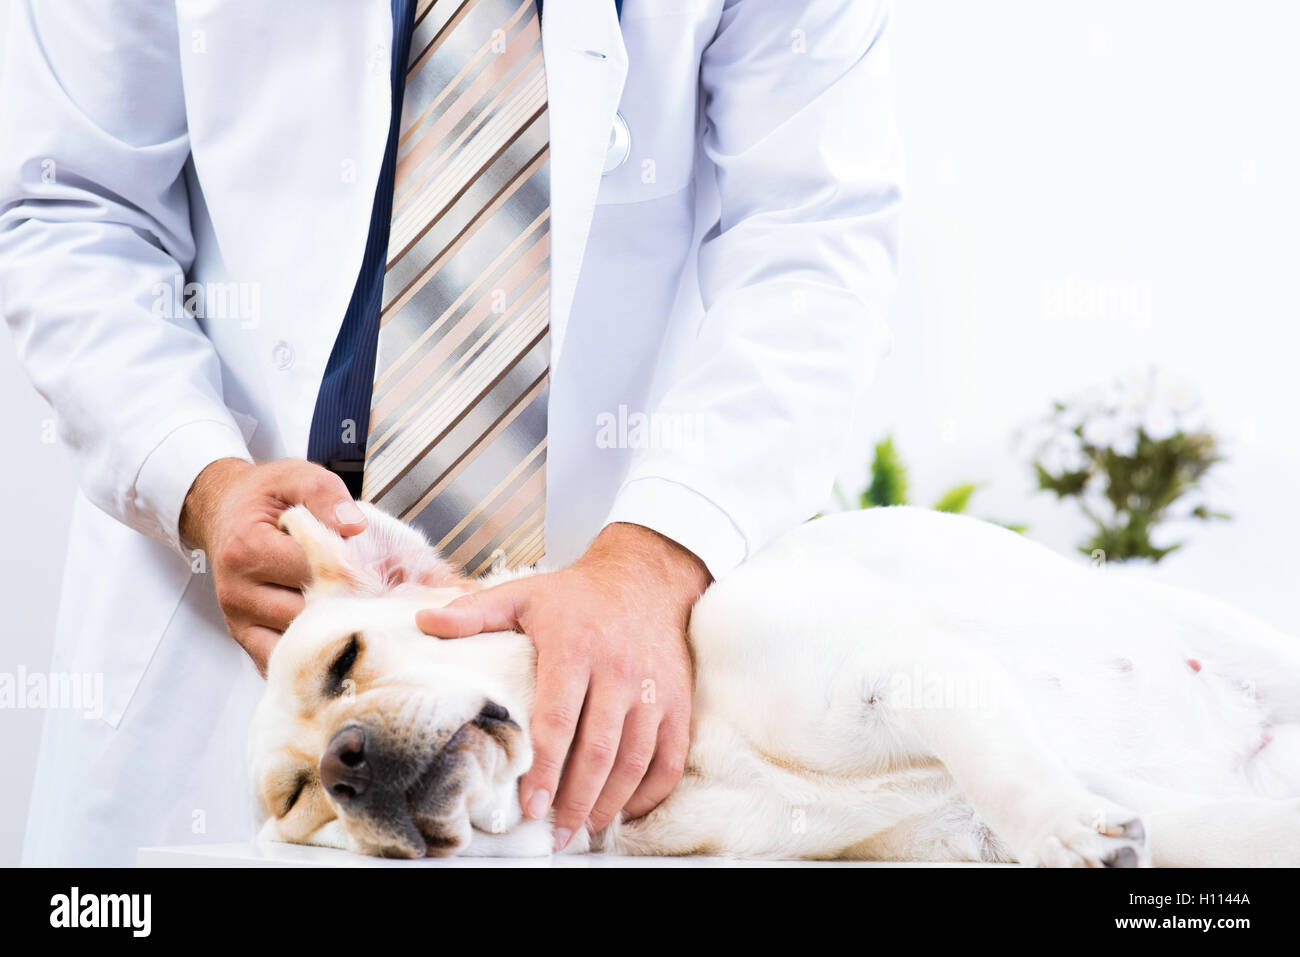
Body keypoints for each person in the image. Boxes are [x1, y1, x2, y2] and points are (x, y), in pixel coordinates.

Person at [1, 0, 901, 866]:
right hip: (222, 656)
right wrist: (196, 480)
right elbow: (72, 206)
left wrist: (655, 558)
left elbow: (813, 241)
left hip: (597, 667)